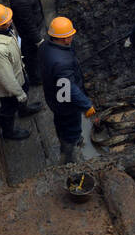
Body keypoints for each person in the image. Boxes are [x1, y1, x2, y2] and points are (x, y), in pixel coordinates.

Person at [0, 3, 42, 141]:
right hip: (7, 86)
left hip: (17, 72)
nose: (11, 21)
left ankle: (23, 110)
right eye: (7, 21)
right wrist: (18, 94)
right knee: (8, 108)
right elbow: (5, 77)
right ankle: (8, 132)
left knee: (24, 87)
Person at [39, 16, 96, 163]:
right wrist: (86, 105)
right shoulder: (62, 62)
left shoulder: (46, 46)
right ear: (64, 39)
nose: (72, 37)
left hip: (53, 94)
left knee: (61, 121)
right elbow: (67, 88)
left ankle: (68, 136)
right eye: (70, 35)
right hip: (64, 102)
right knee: (70, 125)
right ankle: (68, 155)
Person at [8, 0, 44, 85]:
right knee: (32, 56)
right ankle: (36, 79)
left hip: (32, 23)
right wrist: (38, 40)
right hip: (30, 33)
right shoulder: (20, 1)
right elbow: (28, 24)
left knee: (33, 54)